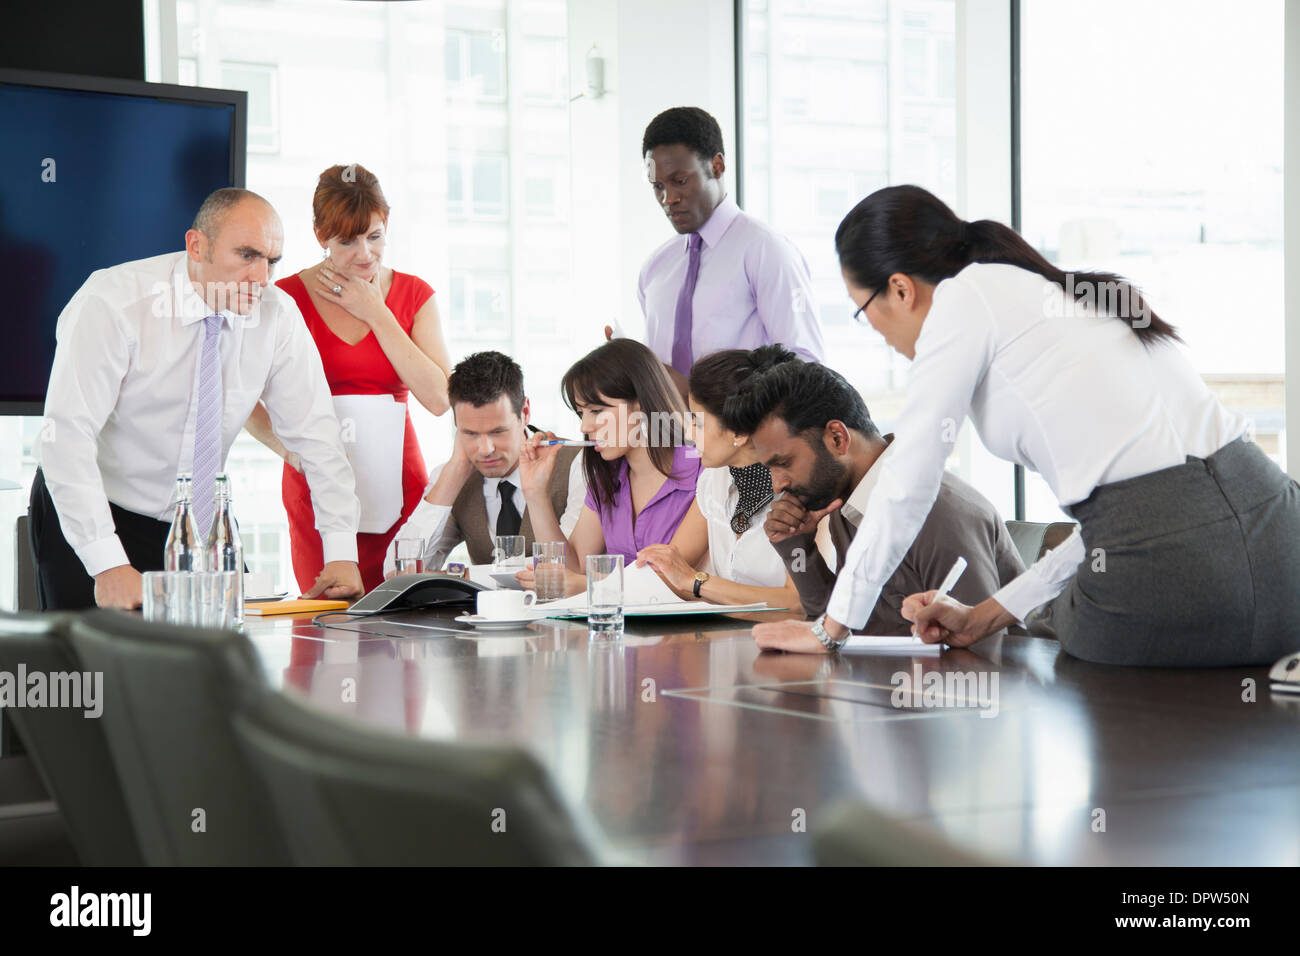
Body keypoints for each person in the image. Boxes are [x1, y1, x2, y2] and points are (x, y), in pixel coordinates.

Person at [754, 183, 1300, 666]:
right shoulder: (1048, 293)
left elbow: (909, 480)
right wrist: (984, 614)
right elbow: (1118, 526)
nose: (877, 332)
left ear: (899, 288)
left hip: (1174, 582)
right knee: (1053, 630)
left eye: (862, 309)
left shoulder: (961, 299)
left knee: (1062, 652)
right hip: (1285, 549)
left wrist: (832, 630)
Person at [31, 188, 362, 610]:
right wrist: (107, 565)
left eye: (272, 261)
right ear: (196, 246)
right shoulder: (113, 302)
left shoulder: (277, 316)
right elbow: (66, 436)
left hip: (199, 522)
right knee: (96, 668)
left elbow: (318, 436)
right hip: (98, 508)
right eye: (247, 255)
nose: (262, 277)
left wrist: (340, 551)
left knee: (222, 663)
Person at [244, 164, 453, 594]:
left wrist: (377, 313)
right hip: (315, 486)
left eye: (374, 237)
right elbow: (241, 396)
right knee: (326, 625)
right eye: (346, 241)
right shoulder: (283, 299)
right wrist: (289, 449)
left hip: (399, 484)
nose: (364, 254)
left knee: (402, 620)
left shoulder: (414, 295)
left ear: (387, 225)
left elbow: (439, 398)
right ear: (320, 235)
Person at [727, 357, 1022, 634]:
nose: (777, 485)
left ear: (837, 438)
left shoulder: (936, 511)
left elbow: (980, 653)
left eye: (784, 463)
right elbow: (833, 626)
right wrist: (798, 547)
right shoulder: (847, 503)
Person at [634, 106, 824, 394]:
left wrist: (709, 399)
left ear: (717, 166)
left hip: (742, 436)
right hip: (666, 435)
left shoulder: (765, 250)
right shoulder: (655, 268)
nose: (668, 198)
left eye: (680, 181)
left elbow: (806, 367)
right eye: (657, 186)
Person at [519, 339, 703, 594]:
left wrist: (585, 587)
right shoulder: (608, 477)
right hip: (620, 627)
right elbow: (572, 568)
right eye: (581, 413)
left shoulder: (702, 472)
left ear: (642, 404)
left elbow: (672, 578)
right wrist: (535, 493)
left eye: (596, 410)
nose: (585, 427)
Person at [632, 346, 803, 617]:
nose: (689, 432)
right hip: (724, 643)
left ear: (739, 432)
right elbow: (671, 574)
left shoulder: (803, 489)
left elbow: (797, 604)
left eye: (698, 423)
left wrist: (697, 582)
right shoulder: (715, 479)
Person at [385, 351, 586, 573]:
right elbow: (398, 570)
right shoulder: (452, 475)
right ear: (455, 422)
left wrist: (467, 575)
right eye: (470, 433)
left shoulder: (578, 462)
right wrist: (455, 471)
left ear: (525, 412)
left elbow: (573, 568)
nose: (485, 449)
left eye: (498, 431)